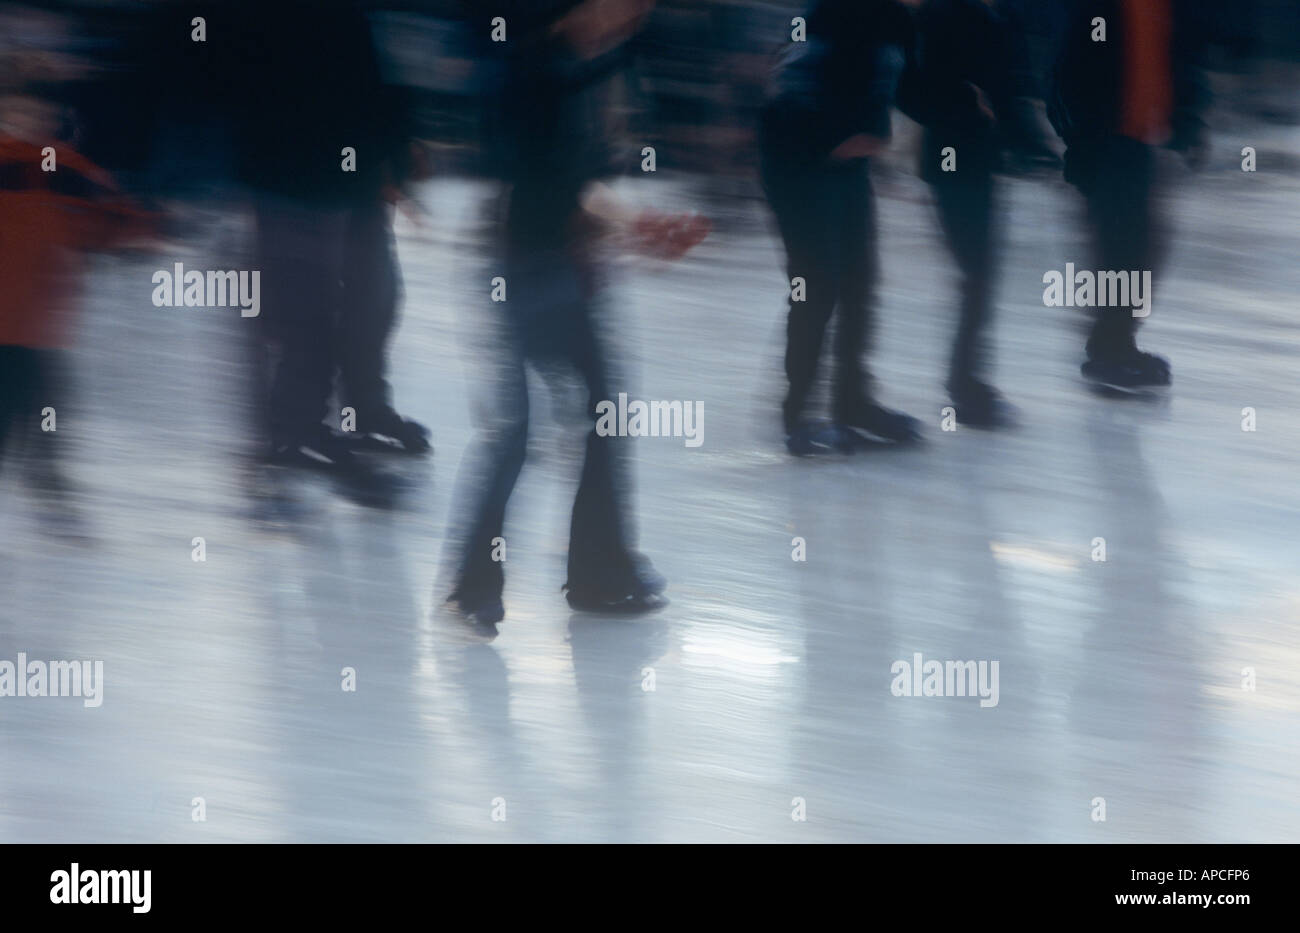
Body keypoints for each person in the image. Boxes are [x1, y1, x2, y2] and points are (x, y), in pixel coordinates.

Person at [445, 0, 706, 625]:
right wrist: (635, 226)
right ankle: (476, 582)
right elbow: (545, 188)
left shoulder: (588, 68)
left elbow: (580, 184)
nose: (636, 15)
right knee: (516, 432)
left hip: (566, 271)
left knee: (605, 416)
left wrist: (631, 226)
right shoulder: (530, 72)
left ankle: (599, 571)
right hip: (520, 272)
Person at [231, 0, 430, 506]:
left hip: (355, 176)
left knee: (376, 298)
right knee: (310, 313)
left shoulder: (355, 17)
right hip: (297, 179)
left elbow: (376, 83)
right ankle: (294, 430)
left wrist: (396, 160)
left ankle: (365, 412)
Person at [758, 0, 923, 455]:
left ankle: (852, 403)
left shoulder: (900, 20)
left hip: (848, 166)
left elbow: (914, 88)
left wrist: (968, 107)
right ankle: (797, 415)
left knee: (859, 282)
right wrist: (835, 137)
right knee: (816, 284)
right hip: (795, 161)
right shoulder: (831, 11)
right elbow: (788, 82)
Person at [905, 0, 1060, 427]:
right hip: (952, 160)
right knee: (976, 274)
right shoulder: (942, 15)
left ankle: (969, 381)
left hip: (982, 160)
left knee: (981, 275)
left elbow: (1011, 95)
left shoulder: (999, 17)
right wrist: (962, 106)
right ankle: (965, 386)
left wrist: (1038, 151)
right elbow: (911, 88)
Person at [1047, 0, 1210, 392]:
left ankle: (1120, 340)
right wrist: (1080, 146)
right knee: (1118, 247)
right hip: (1108, 143)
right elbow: (1067, 75)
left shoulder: (1164, 8)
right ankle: (1107, 348)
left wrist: (1187, 122)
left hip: (1143, 141)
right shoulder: (1099, 9)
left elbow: (1181, 60)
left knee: (1143, 246)